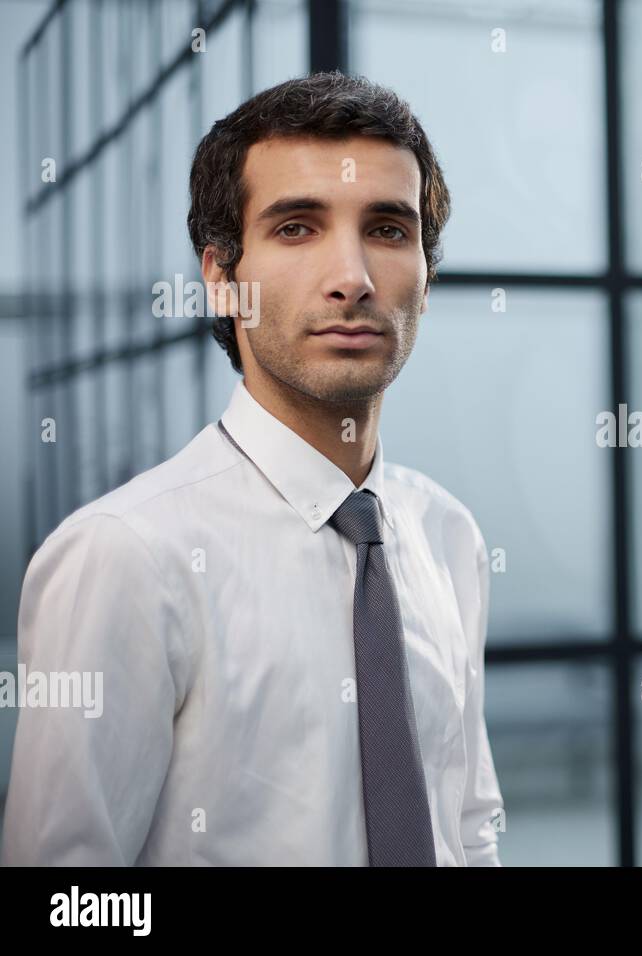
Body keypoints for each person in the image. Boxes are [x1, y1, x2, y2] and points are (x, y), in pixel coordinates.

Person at [1, 72, 502, 866]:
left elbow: (469, 827)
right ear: (221, 279)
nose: (353, 278)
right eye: (297, 228)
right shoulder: (125, 555)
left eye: (387, 229)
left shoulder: (448, 535)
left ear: (426, 277)